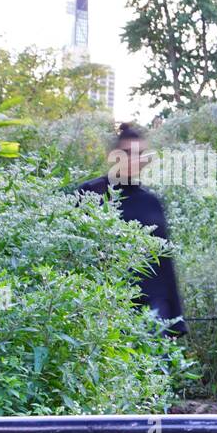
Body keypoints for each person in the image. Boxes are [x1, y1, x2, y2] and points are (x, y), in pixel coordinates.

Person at [76, 123, 188, 336]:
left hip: (153, 309)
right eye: (127, 153)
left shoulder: (152, 202)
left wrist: (177, 319)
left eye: (139, 154)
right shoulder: (90, 193)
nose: (133, 159)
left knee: (155, 367)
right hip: (105, 306)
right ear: (113, 155)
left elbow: (165, 262)